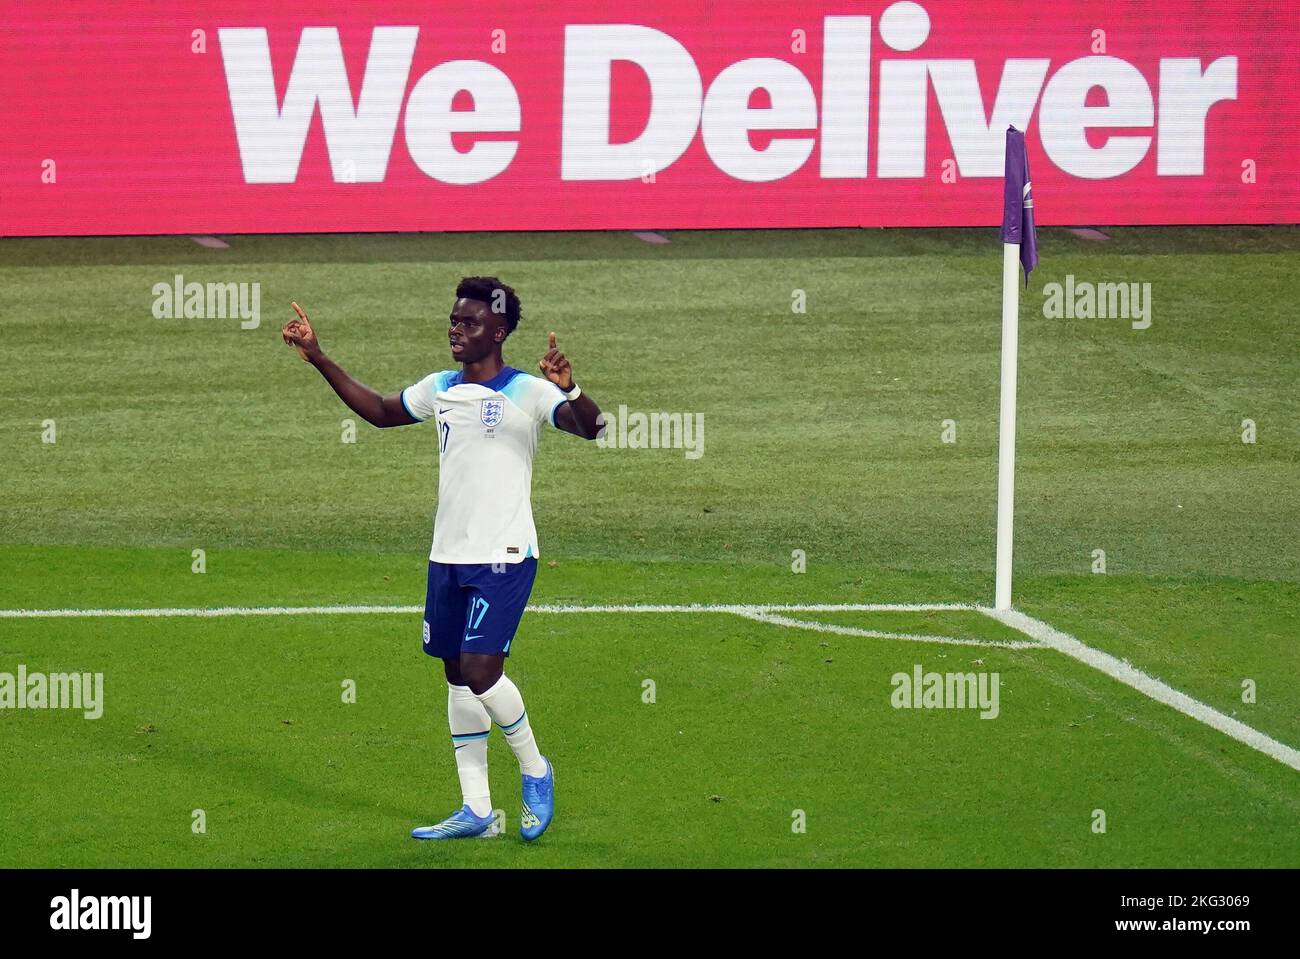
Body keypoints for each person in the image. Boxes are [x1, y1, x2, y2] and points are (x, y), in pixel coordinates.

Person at [281, 276, 603, 841]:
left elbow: (593, 429)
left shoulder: (527, 390)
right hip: (447, 555)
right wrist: (317, 357)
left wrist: (571, 391)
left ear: (498, 331)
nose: (456, 330)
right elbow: (381, 411)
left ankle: (535, 769)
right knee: (457, 674)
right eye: (453, 320)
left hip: (504, 554)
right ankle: (476, 810)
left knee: (482, 668)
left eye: (469, 323)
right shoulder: (441, 388)